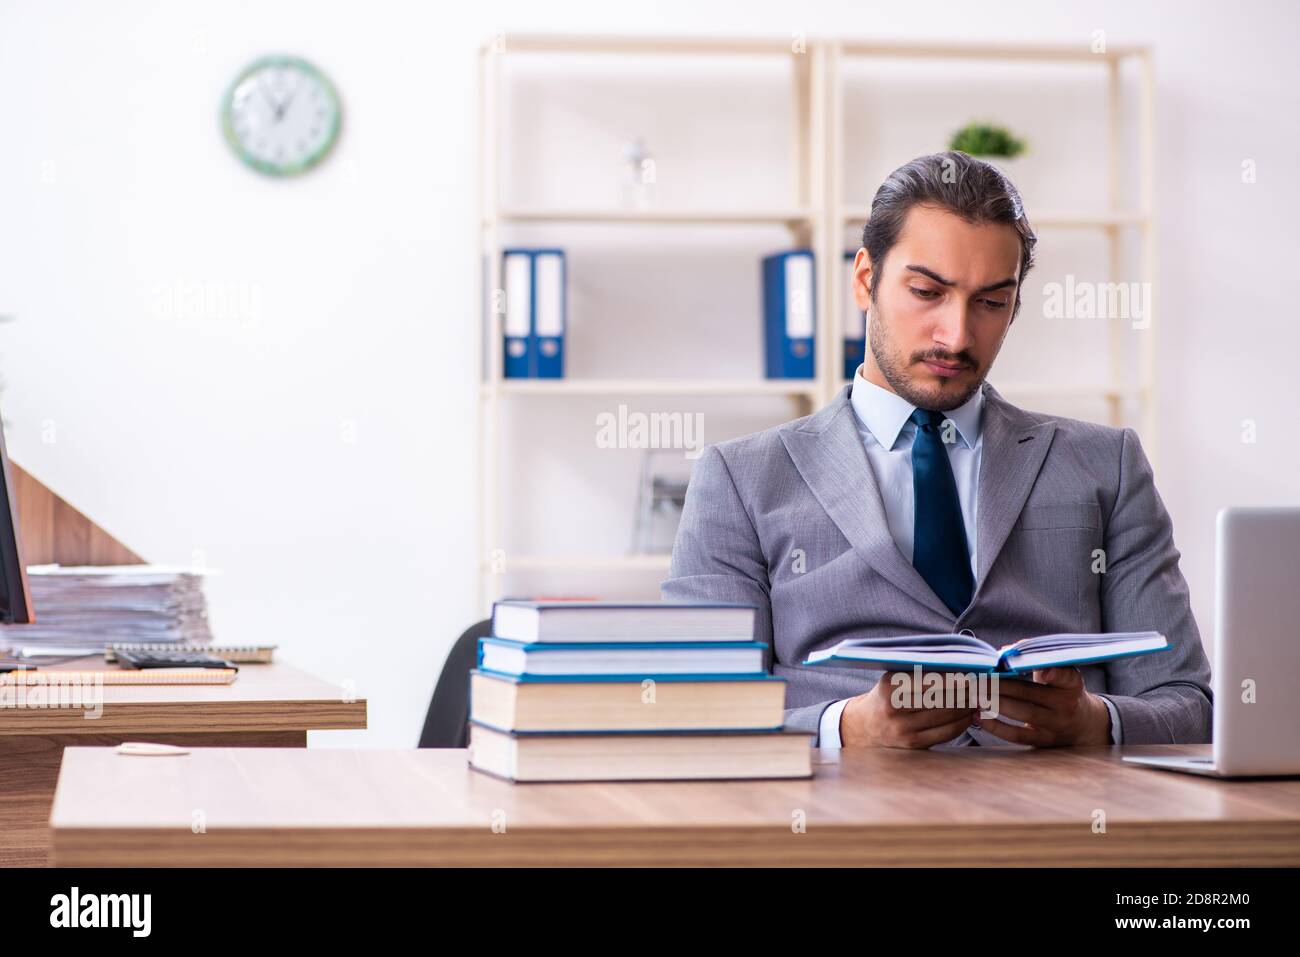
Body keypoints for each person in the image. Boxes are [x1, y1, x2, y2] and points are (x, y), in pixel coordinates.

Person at [661, 150, 1211, 749]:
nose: (956, 334)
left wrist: (1095, 721)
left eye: (992, 302)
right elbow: (695, 705)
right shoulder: (740, 479)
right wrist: (842, 729)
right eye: (927, 291)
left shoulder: (1109, 465)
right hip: (839, 820)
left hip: (1062, 818)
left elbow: (1187, 702)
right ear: (866, 279)